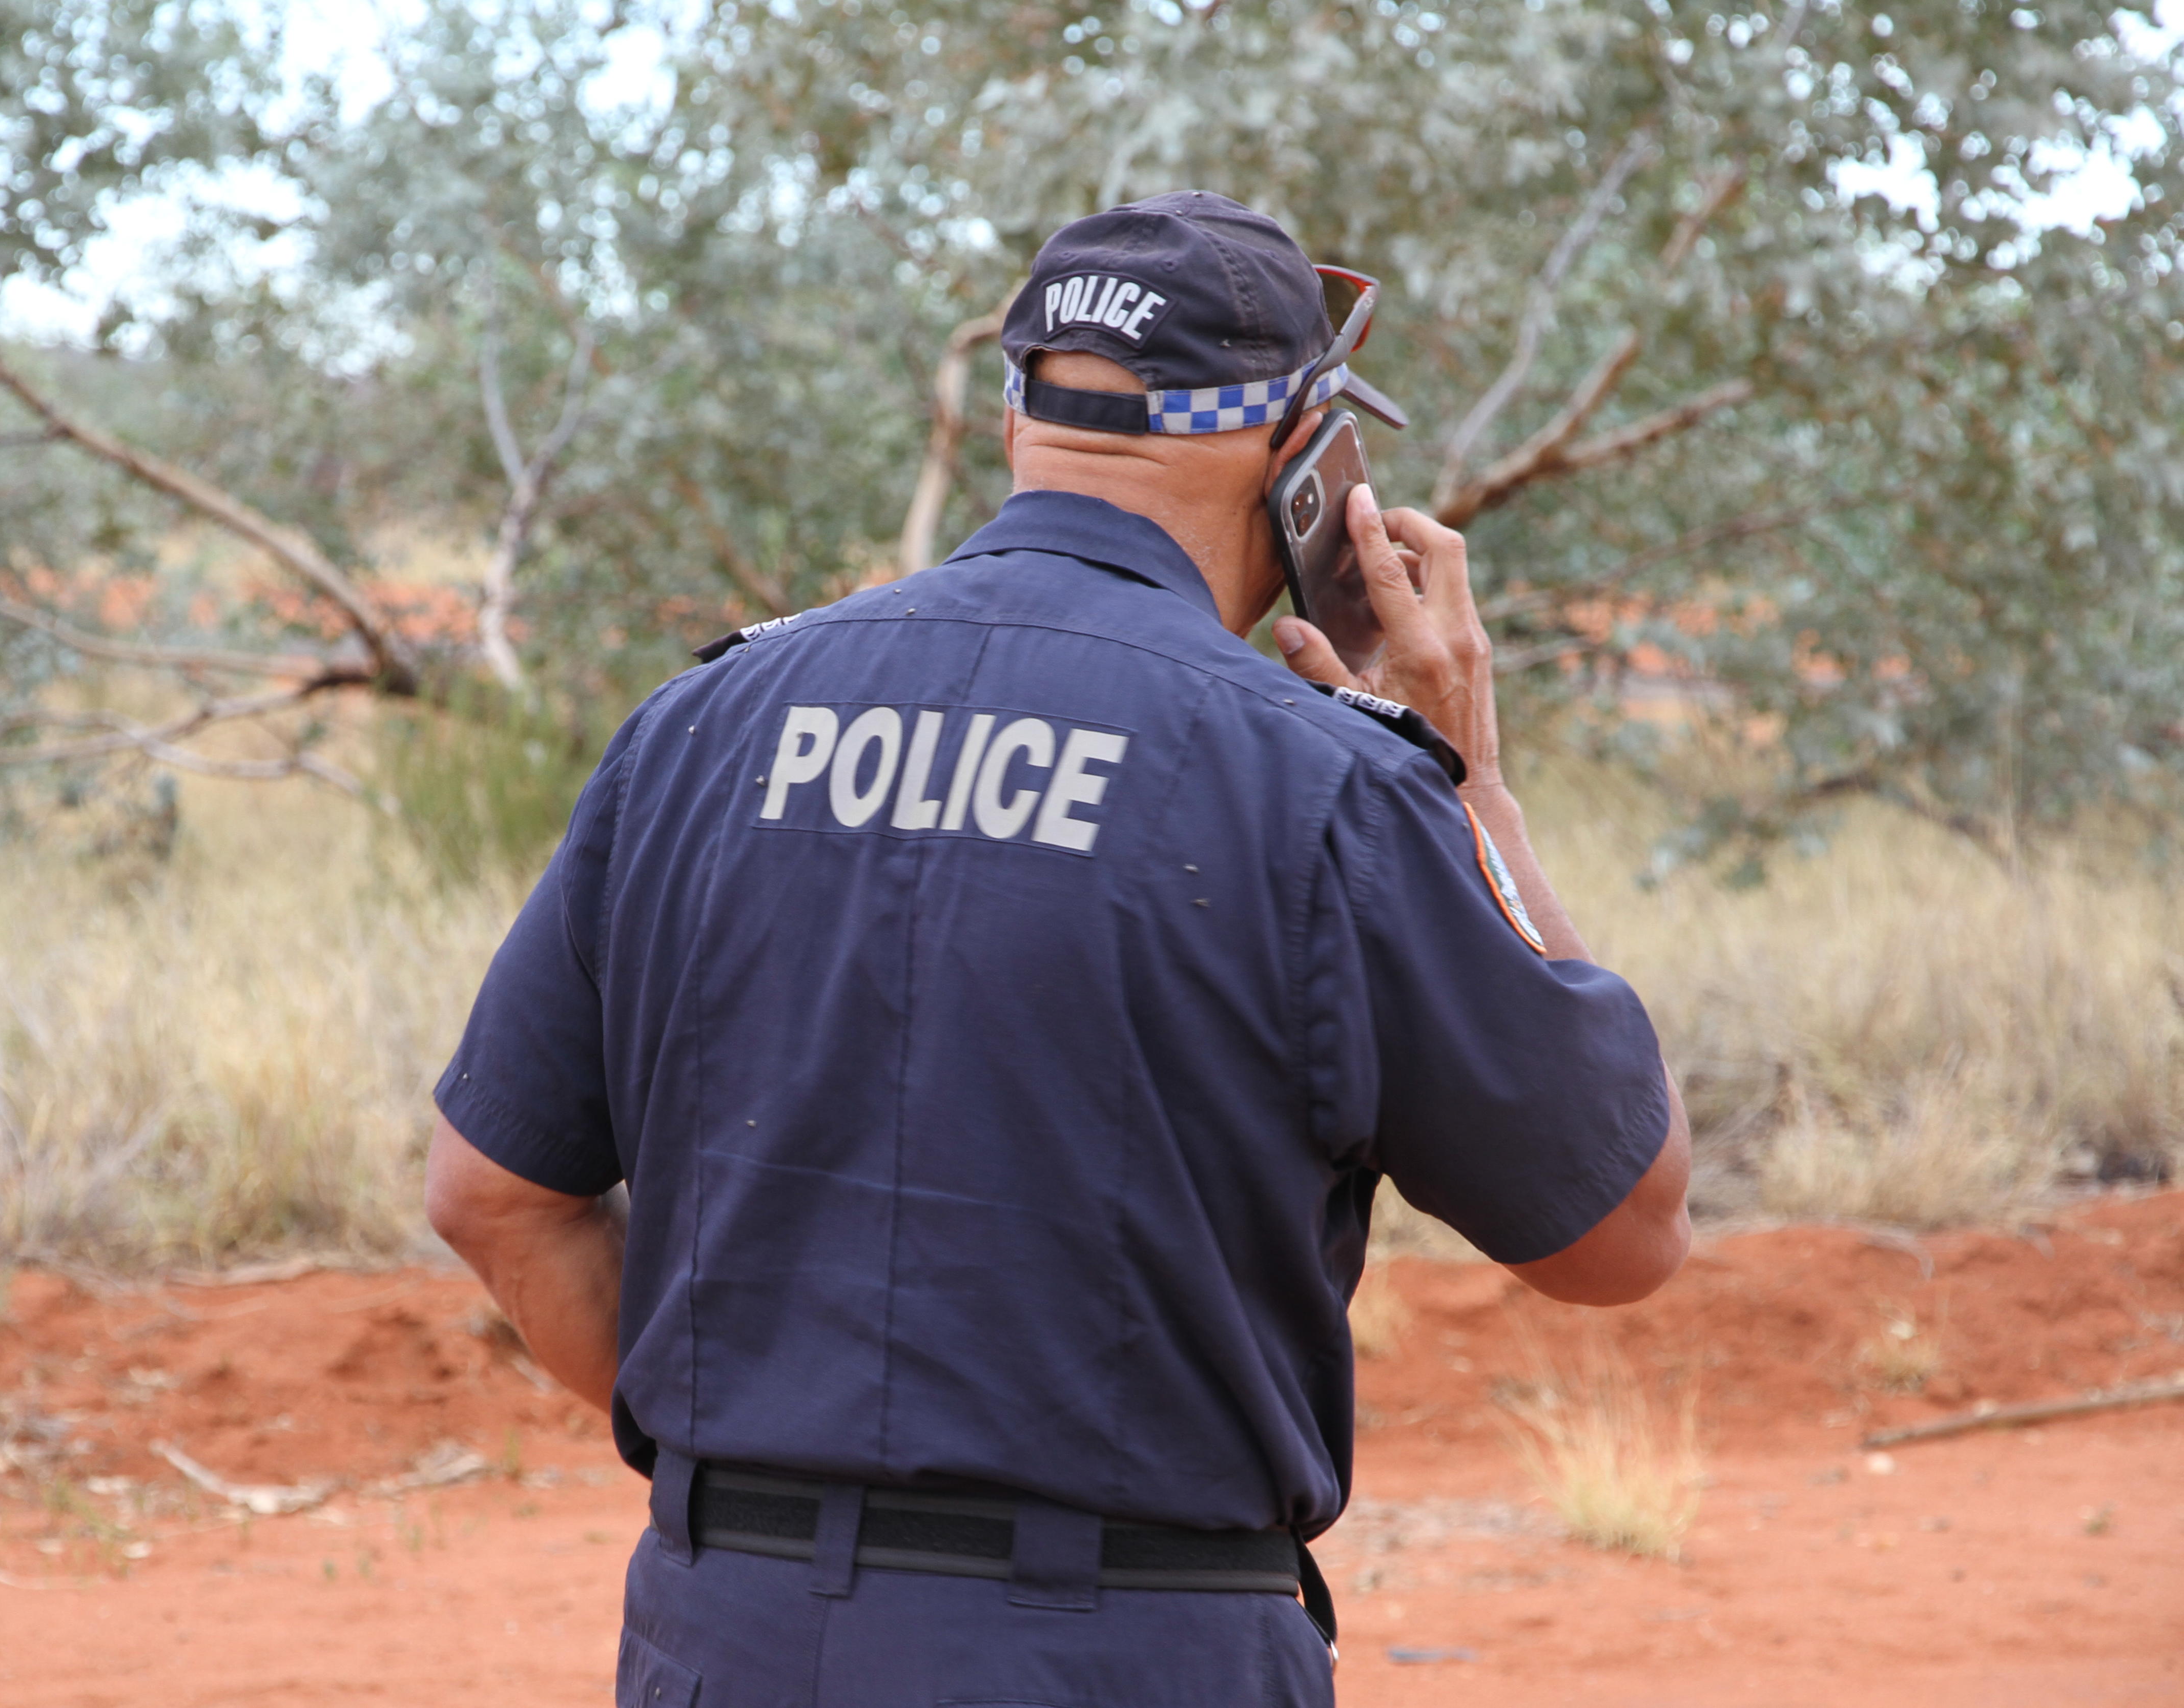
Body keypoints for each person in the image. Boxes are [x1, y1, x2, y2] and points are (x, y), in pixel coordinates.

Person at [424, 190, 1692, 1708]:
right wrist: (1471, 779)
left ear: (1022, 414)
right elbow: (1621, 1234)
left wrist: (775, 1458)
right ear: (1304, 458)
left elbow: (494, 1197)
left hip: (726, 1633)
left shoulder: (700, 726)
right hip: (1126, 1648)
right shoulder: (1327, 780)